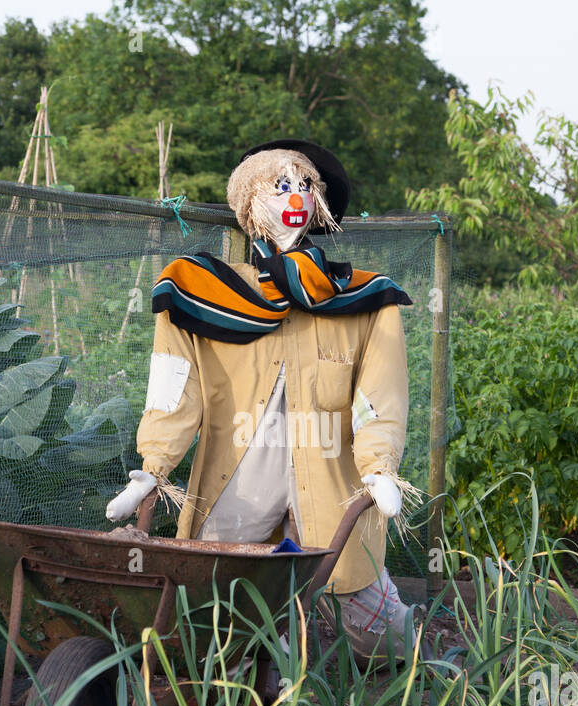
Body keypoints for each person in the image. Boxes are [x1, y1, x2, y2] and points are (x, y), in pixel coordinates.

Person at [106, 139, 423, 662]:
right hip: (237, 481)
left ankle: (400, 663)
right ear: (251, 201)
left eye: (304, 186)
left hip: (331, 477)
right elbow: (173, 383)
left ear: (318, 202)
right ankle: (257, 675)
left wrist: (379, 465)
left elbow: (380, 391)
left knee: (378, 630)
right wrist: (154, 466)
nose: (294, 197)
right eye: (280, 186)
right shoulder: (201, 291)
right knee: (222, 601)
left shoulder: (364, 298)